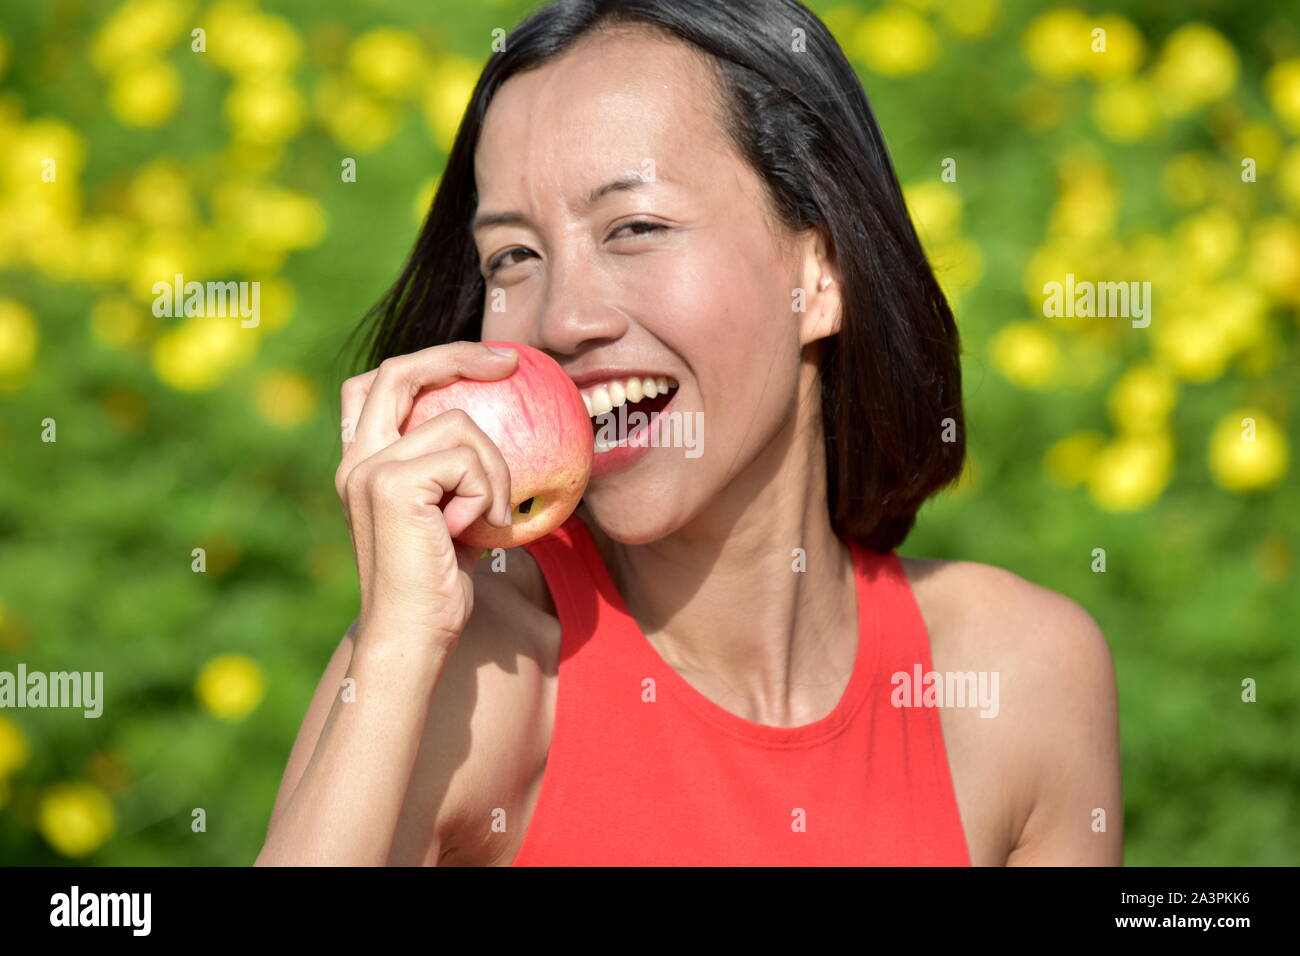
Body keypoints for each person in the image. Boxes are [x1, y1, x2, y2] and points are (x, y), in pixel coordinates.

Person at [257, 0, 1121, 866]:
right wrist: (398, 643)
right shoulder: (477, 674)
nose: (562, 318)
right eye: (513, 256)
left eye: (634, 228)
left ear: (820, 276)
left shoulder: (1020, 678)